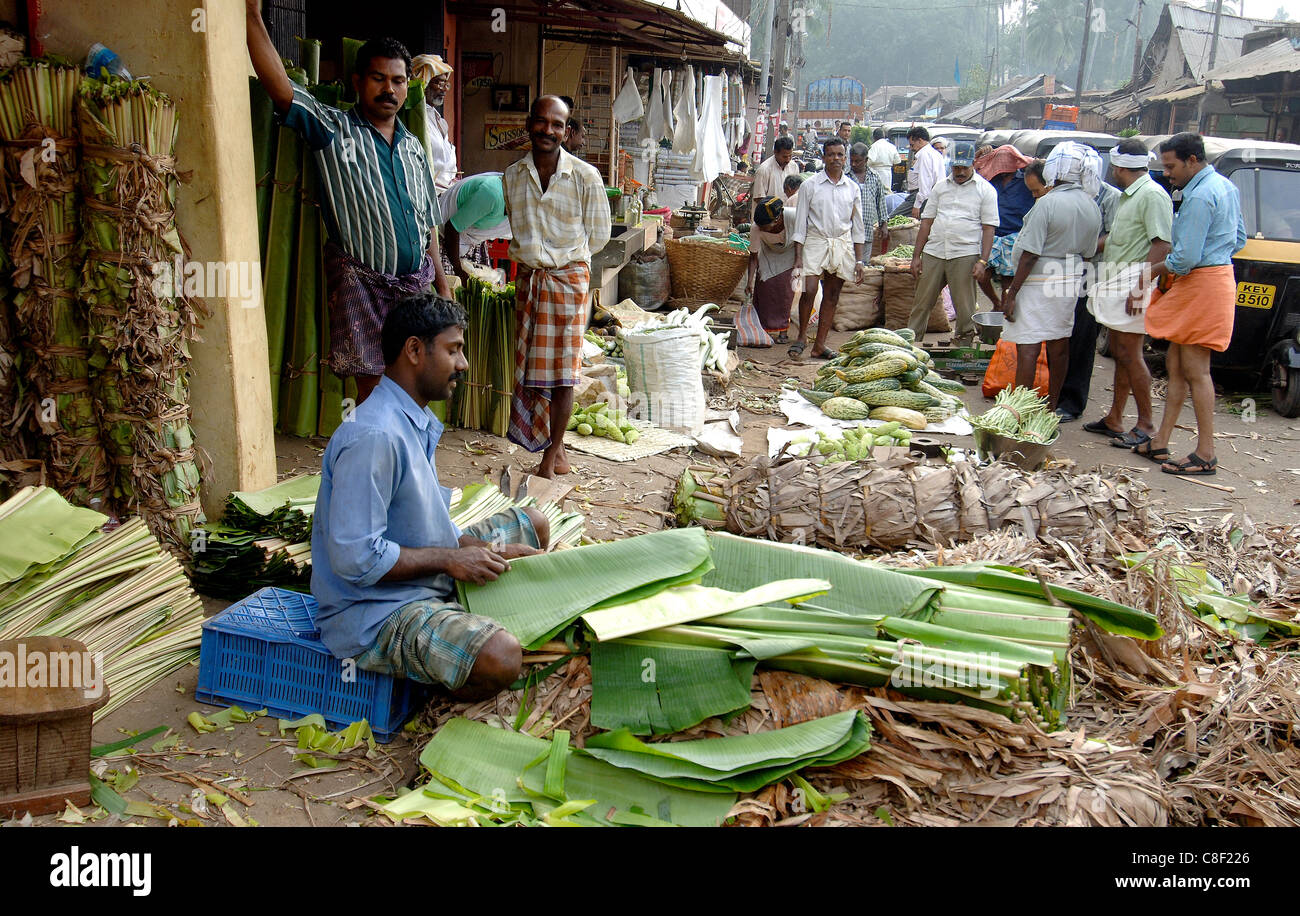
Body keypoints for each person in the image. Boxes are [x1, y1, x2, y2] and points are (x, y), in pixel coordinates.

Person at [311, 293, 550, 699]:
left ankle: (455, 614)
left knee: (533, 525)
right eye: (453, 350)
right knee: (501, 656)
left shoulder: (413, 419)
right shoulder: (373, 436)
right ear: (415, 350)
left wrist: (481, 549)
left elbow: (423, 525)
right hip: (375, 612)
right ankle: (441, 669)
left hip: (426, 575)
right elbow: (356, 558)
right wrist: (452, 560)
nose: (463, 364)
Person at [246, 2, 452, 405]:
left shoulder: (413, 148)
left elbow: (428, 224)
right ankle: (373, 461)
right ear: (358, 81)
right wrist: (253, 17)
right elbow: (283, 92)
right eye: (378, 78)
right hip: (362, 285)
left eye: (397, 80)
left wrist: (443, 286)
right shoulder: (333, 130)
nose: (388, 89)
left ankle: (405, 462)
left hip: (416, 285)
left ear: (407, 87)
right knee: (372, 389)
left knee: (417, 384)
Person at [504, 96, 611, 479]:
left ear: (566, 131)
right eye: (542, 122)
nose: (548, 130)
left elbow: (598, 237)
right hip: (529, 281)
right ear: (529, 123)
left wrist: (562, 259)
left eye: (557, 124)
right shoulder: (513, 176)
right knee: (531, 367)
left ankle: (550, 456)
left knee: (563, 370)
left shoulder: (585, 177)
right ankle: (556, 444)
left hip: (567, 280)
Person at [1128, 132, 1246, 477]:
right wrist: (1214, 258)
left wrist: (1151, 271)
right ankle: (1161, 439)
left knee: (1197, 371)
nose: (1167, 173)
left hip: (1201, 284)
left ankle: (1206, 452)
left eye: (1171, 166)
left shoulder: (1200, 196)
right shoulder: (1225, 186)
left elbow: (1185, 258)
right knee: (1176, 365)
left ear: (1193, 160)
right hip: (1210, 278)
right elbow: (1237, 239)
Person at [1081, 139, 1172, 448]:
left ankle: (1146, 423)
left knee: (1132, 355)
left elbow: (1162, 244)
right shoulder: (1129, 196)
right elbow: (1120, 238)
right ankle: (1115, 418)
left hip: (1134, 282)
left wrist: (1140, 286)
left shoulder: (1151, 195)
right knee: (1121, 353)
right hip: (1119, 279)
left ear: (1118, 168)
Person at [1000, 142, 1102, 408]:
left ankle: (1018, 408)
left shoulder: (1048, 203)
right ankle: (1051, 405)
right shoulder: (1092, 206)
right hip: (1069, 278)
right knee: (1059, 343)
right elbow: (1089, 252)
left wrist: (1012, 293)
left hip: (1038, 279)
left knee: (1028, 345)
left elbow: (1030, 254)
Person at [908, 140, 998, 344]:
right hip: (935, 251)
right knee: (922, 303)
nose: (959, 172)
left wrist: (983, 262)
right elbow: (926, 223)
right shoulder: (940, 188)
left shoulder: (986, 190)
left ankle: (963, 345)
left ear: (972, 164)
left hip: (964, 254)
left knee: (965, 307)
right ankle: (911, 343)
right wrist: (916, 256)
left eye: (964, 167)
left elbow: (988, 229)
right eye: (956, 167)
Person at [1055, 162, 1122, 421]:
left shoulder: (1110, 197)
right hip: (1062, 272)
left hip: (1091, 275)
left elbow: (1114, 236)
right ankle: (1054, 393)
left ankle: (1072, 401)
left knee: (1082, 338)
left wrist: (1084, 248)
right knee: (1060, 334)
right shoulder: (1069, 195)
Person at [789, 136, 867, 359]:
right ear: (823, 157)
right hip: (815, 241)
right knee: (809, 290)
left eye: (840, 155)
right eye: (831, 154)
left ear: (845, 158)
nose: (835, 158)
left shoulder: (852, 188)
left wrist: (859, 261)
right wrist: (798, 257)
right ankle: (802, 337)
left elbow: (858, 227)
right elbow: (800, 224)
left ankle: (819, 345)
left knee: (832, 295)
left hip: (841, 244)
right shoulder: (810, 186)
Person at [974, 144, 1036, 308]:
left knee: (1007, 281)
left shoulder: (1025, 179)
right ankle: (996, 302)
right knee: (981, 274)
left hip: (1015, 234)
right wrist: (979, 156)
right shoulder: (990, 179)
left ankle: (1004, 307)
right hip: (992, 233)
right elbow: (968, 174)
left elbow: (1042, 167)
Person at [440, 171, 511, 283]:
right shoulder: (492, 194)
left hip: (471, 241)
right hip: (447, 240)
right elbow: (452, 227)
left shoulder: (522, 205)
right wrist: (458, 270)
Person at [744, 196, 796, 342]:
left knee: (785, 288)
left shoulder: (793, 216)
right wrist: (749, 282)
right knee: (765, 285)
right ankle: (763, 327)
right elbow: (753, 258)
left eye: (765, 226)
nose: (762, 229)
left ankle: (783, 330)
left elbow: (802, 237)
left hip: (792, 251)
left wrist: (799, 261)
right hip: (769, 253)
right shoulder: (756, 227)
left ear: (777, 219)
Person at [412, 54, 457, 192]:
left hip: (447, 189)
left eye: (445, 84)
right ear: (423, 81)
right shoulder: (413, 116)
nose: (444, 89)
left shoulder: (436, 117)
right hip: (428, 192)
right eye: (438, 82)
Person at [849, 141, 891, 256]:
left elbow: (880, 201)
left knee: (864, 264)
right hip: (848, 231)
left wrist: (884, 224)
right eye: (851, 160)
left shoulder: (875, 176)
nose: (853, 164)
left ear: (866, 160)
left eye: (857, 161)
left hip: (867, 229)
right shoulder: (846, 176)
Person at [753, 135, 800, 201]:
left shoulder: (794, 167)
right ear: (775, 152)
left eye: (790, 156)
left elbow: (796, 192)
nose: (788, 160)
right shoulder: (764, 169)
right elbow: (759, 198)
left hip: (788, 210)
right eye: (784, 157)